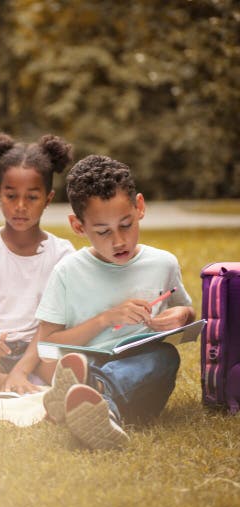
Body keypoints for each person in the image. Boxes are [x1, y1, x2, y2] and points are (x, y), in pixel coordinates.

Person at [36, 155, 195, 449]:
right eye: (103, 231)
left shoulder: (163, 264)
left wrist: (182, 315)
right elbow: (45, 347)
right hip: (89, 361)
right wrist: (104, 319)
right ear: (78, 226)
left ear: (140, 207)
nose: (119, 240)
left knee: (164, 357)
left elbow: (188, 316)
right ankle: (99, 405)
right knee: (83, 363)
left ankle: (87, 395)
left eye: (126, 224)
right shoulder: (67, 272)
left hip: (140, 372)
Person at [0, 134, 75, 393]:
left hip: (39, 349)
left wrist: (23, 366)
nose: (20, 206)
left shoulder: (62, 255)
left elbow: (53, 326)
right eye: (11, 196)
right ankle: (15, 385)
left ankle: (24, 380)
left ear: (48, 198)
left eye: (32, 197)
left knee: (71, 370)